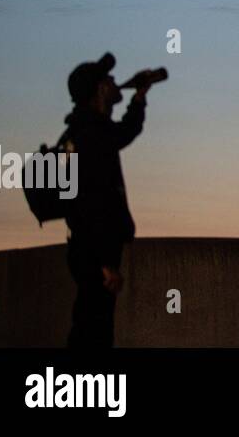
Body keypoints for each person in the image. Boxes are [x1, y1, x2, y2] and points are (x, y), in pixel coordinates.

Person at [61, 53, 154, 348]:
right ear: (100, 90)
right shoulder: (91, 135)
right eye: (109, 78)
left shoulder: (88, 131)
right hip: (93, 251)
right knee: (92, 333)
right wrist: (102, 262)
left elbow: (125, 131)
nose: (115, 81)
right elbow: (88, 204)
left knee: (90, 328)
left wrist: (139, 96)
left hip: (86, 249)